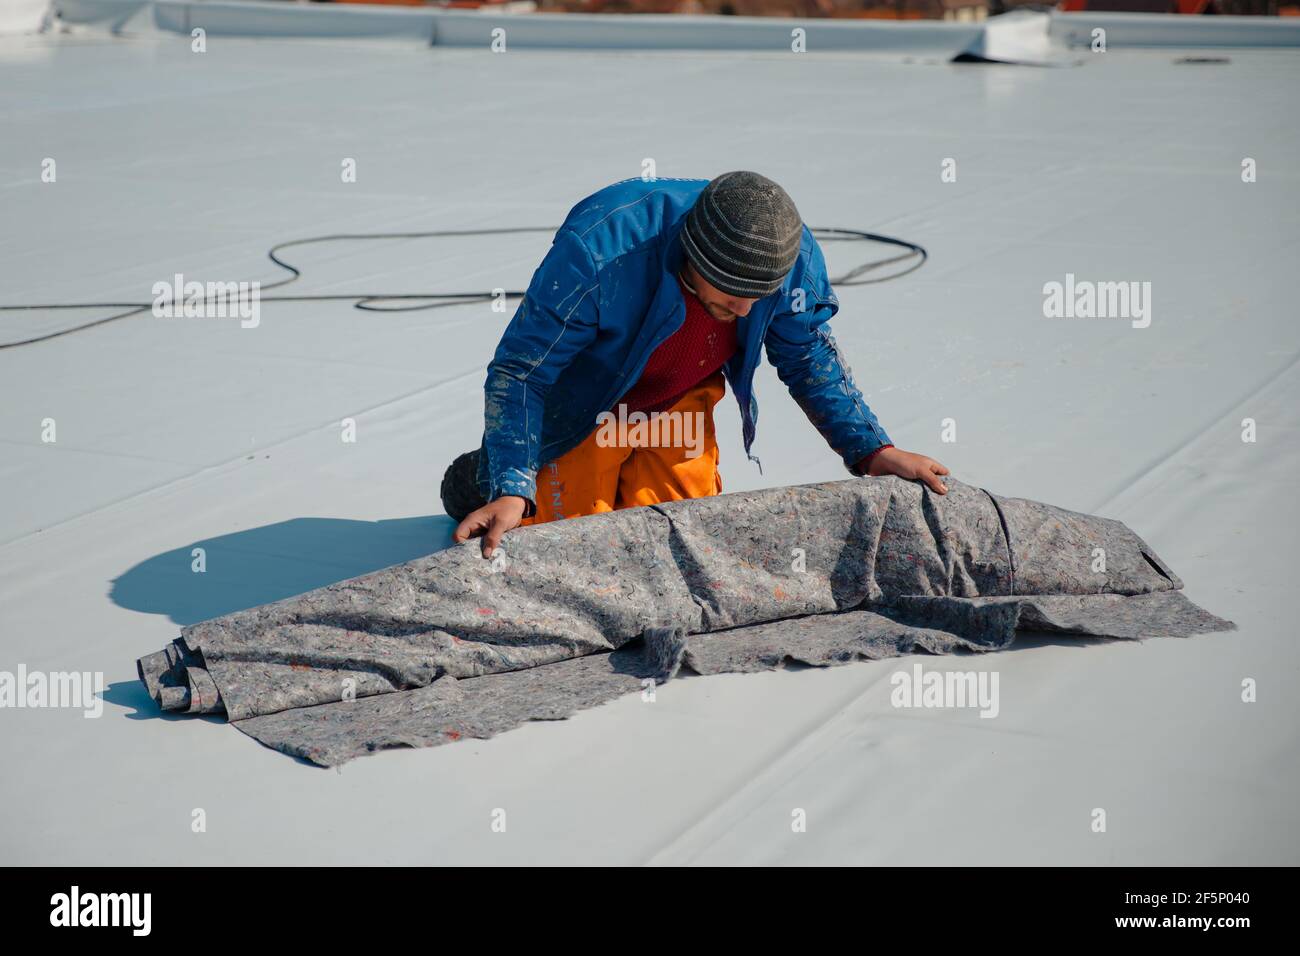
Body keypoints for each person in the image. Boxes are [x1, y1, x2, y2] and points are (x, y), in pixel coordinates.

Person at [443, 171, 948, 558]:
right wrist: (512, 486)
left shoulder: (786, 256)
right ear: (693, 259)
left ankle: (551, 474)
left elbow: (808, 357)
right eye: (733, 295)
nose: (748, 312)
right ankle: (490, 475)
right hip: (585, 406)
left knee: (680, 545)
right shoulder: (599, 252)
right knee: (567, 549)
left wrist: (872, 449)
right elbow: (522, 372)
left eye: (760, 296)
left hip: (677, 396)